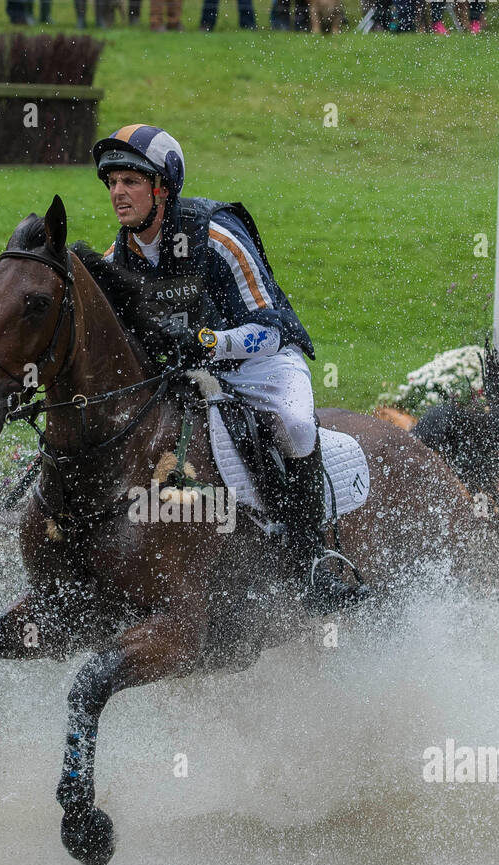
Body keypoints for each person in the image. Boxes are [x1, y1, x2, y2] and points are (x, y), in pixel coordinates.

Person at [90, 124, 368, 614]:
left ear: (162, 187)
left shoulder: (216, 234)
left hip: (259, 364)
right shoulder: (116, 260)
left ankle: (313, 556)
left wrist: (211, 342)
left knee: (298, 426)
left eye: (130, 181)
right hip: (186, 380)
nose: (117, 193)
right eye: (111, 181)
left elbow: (273, 327)